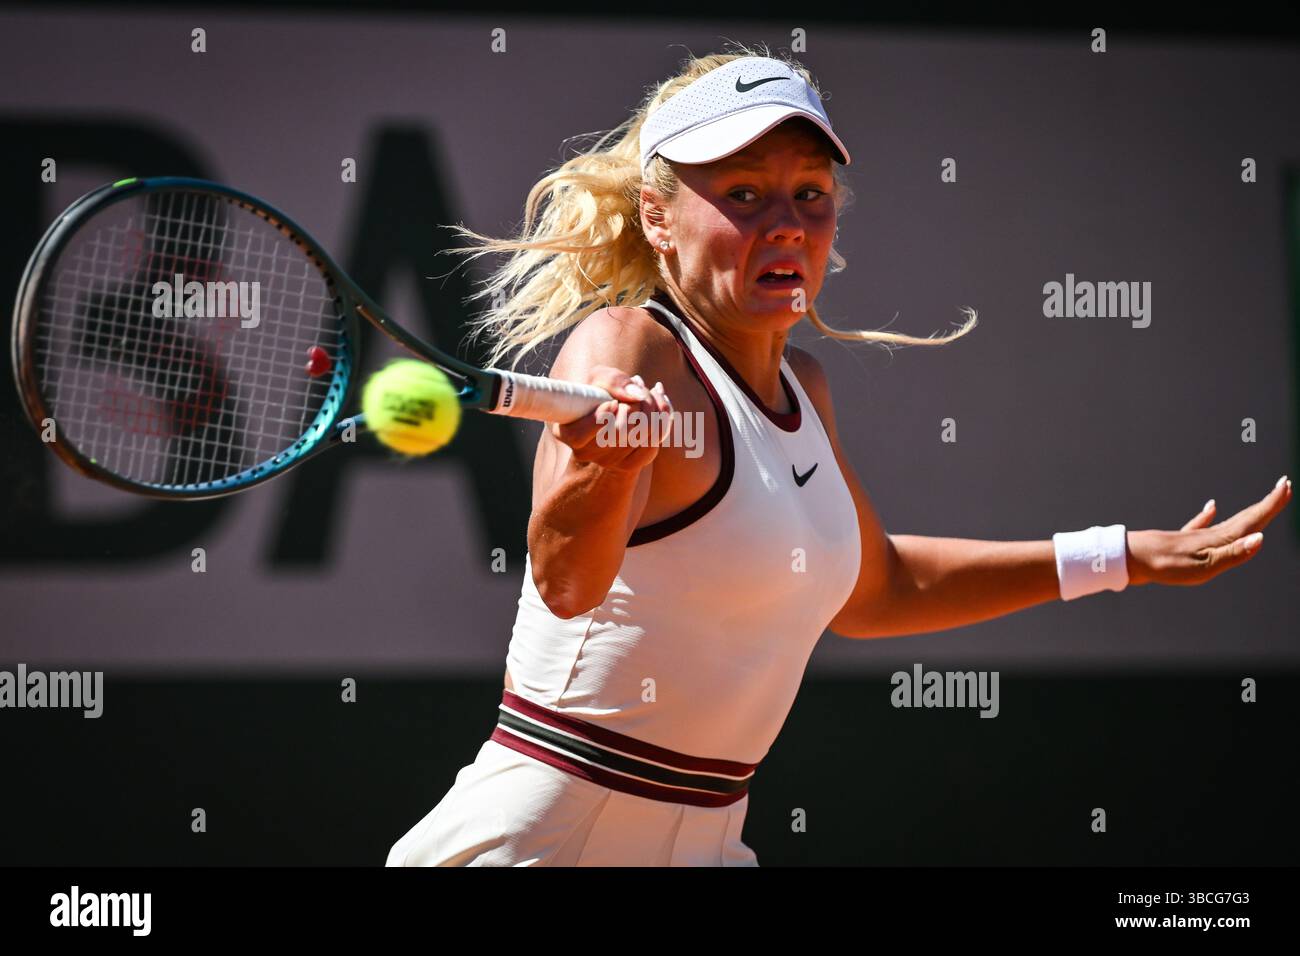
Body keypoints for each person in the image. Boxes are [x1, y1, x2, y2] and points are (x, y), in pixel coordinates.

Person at [385, 44, 1291, 867]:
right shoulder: (627, 345)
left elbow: (877, 591)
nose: (785, 223)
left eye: (808, 194)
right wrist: (602, 467)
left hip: (707, 843)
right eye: (741, 194)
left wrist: (1119, 556)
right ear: (658, 221)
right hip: (547, 839)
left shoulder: (804, 387)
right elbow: (567, 583)